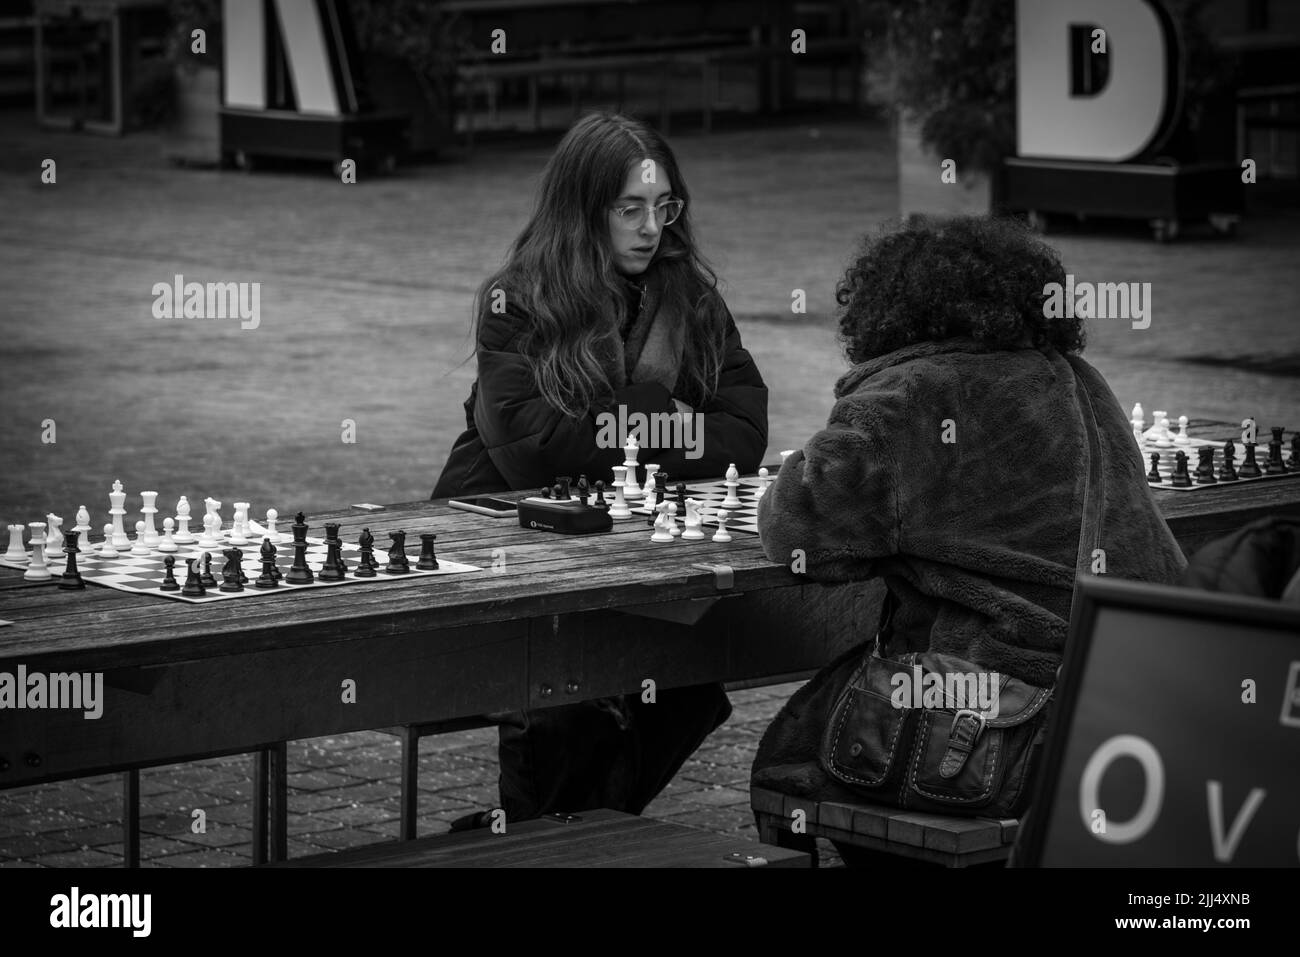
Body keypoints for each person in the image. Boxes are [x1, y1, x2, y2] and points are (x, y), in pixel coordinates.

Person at [750, 216, 1187, 860]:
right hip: (1141, 688)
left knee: (793, 757)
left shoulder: (909, 394)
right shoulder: (1079, 378)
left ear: (885, 313)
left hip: (1008, 719)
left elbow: (797, 529)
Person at [433, 111, 769, 825]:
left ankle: (550, 834)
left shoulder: (690, 296)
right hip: (506, 547)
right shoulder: (518, 300)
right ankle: (546, 837)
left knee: (688, 685)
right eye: (629, 209)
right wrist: (665, 410)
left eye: (664, 206)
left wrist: (612, 423)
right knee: (565, 701)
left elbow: (743, 435)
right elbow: (538, 448)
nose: (652, 228)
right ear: (584, 211)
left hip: (629, 543)